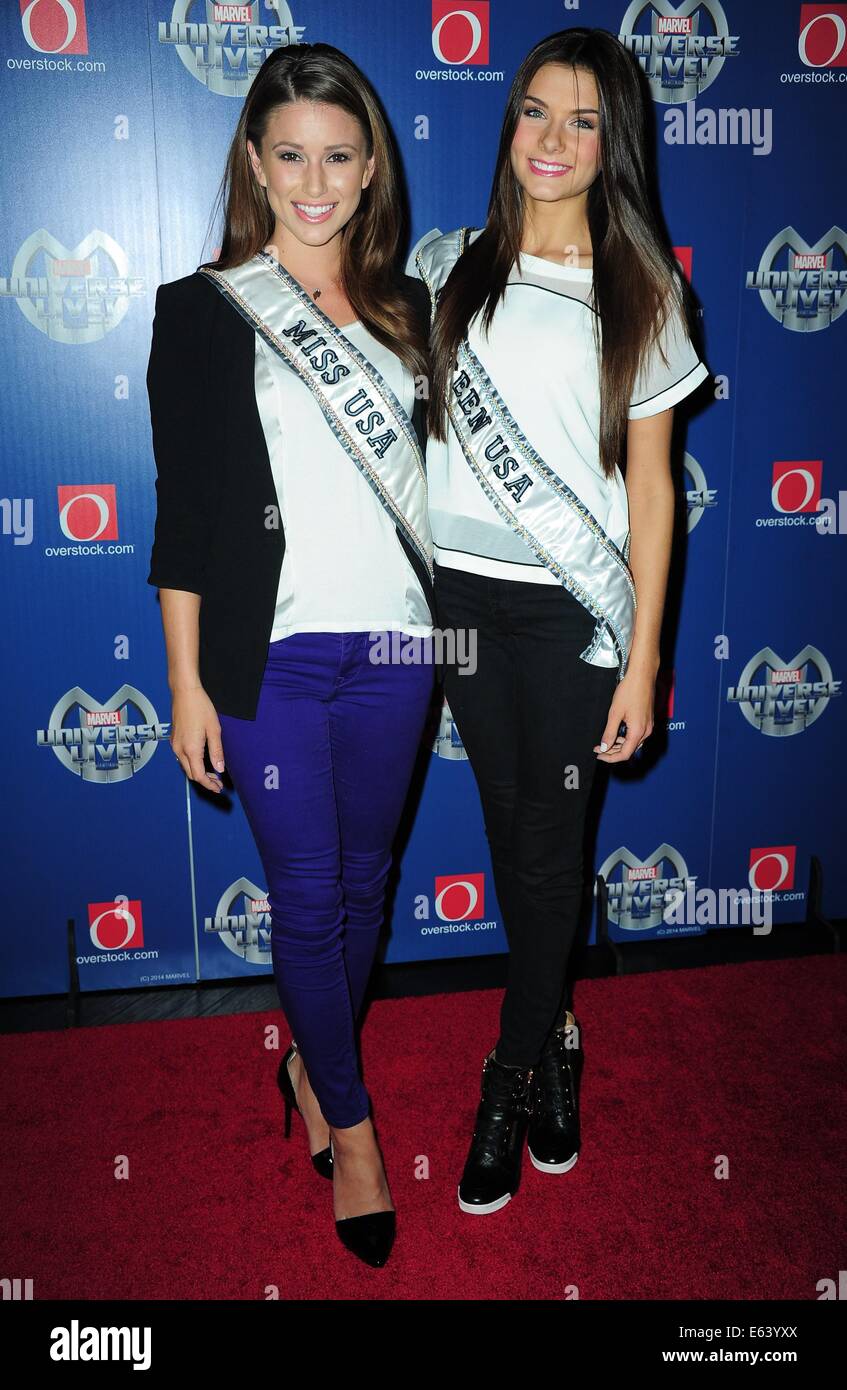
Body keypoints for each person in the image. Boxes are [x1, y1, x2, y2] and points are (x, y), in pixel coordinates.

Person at [145, 42, 437, 1268]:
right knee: (309, 897)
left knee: (366, 886)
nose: (312, 181)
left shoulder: (415, 311)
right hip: (271, 656)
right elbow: (186, 513)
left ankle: (313, 1068)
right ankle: (355, 1128)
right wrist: (183, 683)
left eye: (336, 155)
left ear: (369, 170)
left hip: (398, 646)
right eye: (289, 157)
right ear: (256, 167)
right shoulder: (202, 310)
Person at [415, 26, 710, 1215]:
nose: (551, 139)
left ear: (612, 142)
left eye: (581, 120)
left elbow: (651, 490)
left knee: (548, 857)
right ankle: (561, 1032)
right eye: (535, 112)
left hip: (571, 622)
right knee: (515, 842)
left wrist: (643, 660)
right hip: (459, 608)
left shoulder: (642, 289)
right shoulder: (452, 264)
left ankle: (510, 1075)